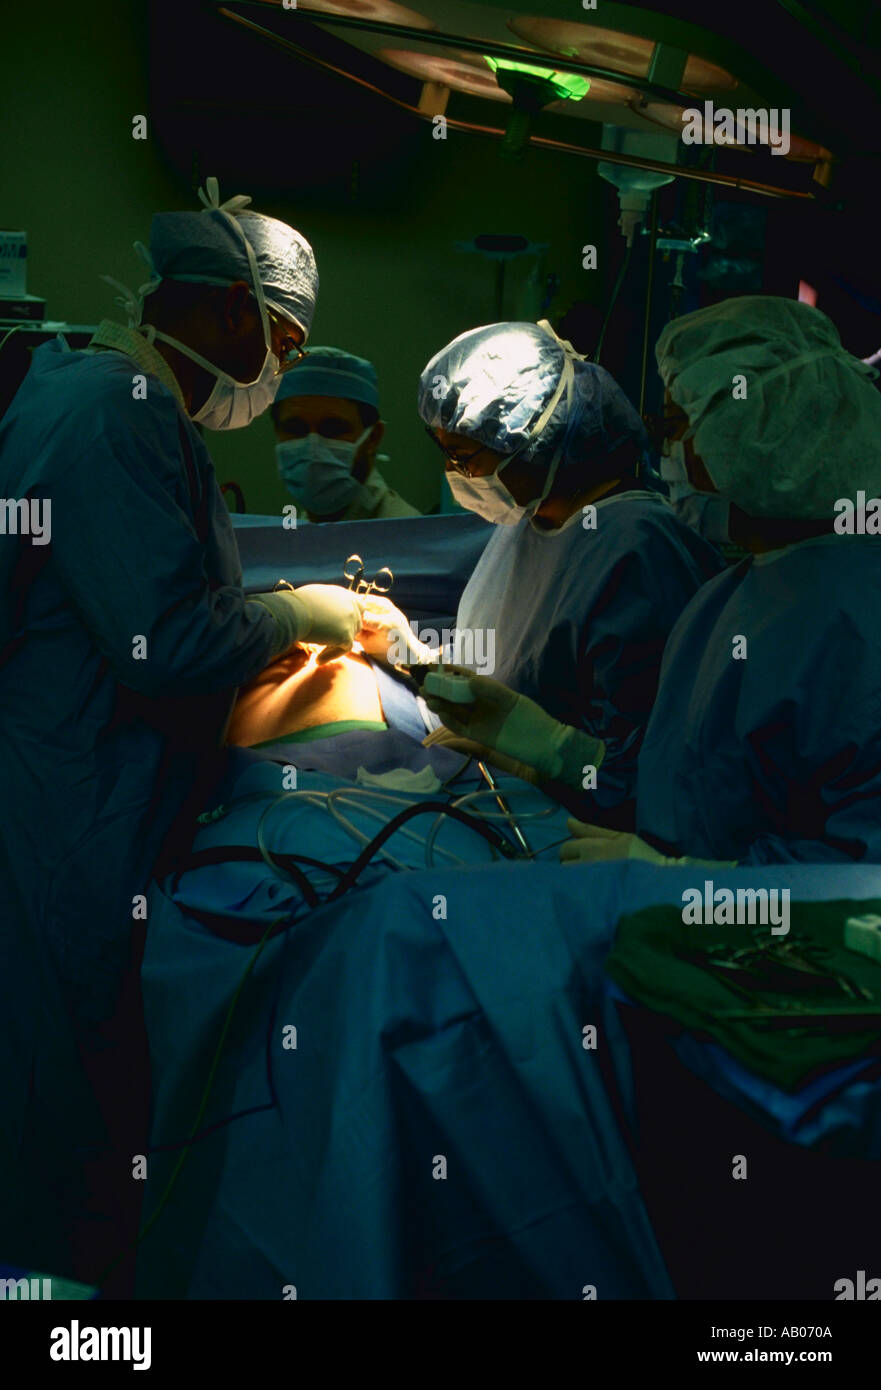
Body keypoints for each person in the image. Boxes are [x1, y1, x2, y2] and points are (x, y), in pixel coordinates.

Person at [0, 178, 365, 1281]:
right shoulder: (117, 407)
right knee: (69, 1101)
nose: (281, 371)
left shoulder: (102, 393)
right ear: (224, 313)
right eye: (283, 343)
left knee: (76, 1093)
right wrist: (308, 615)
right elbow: (164, 642)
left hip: (88, 791)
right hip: (77, 811)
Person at [437, 298, 881, 865]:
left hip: (753, 944)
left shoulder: (857, 622)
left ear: (761, 437)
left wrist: (690, 884)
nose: (663, 451)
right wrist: (547, 748)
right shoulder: (732, 595)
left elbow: (861, 883)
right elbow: (675, 784)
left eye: (675, 427)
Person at [393, 319, 724, 826]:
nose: (455, 473)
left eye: (464, 456)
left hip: (576, 829)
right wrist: (410, 651)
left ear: (534, 442)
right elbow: (513, 659)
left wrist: (532, 754)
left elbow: (642, 775)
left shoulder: (636, 549)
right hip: (502, 793)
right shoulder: (532, 514)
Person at [273, 346, 420, 521]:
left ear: (373, 438)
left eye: (333, 429)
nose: (313, 447)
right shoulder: (293, 535)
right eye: (296, 429)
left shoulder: (405, 536)